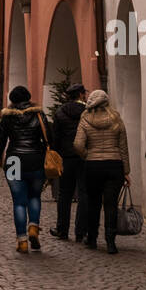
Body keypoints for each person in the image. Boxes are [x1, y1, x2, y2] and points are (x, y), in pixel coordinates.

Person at [0, 85, 51, 253]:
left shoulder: (7, 117)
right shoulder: (38, 114)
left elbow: (0, 142)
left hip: (14, 159)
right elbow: (49, 137)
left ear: (12, 100)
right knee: (34, 196)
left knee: (19, 201)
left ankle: (22, 240)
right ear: (29, 97)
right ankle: (34, 227)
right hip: (36, 158)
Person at [73, 89, 130, 255]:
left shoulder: (85, 120)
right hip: (114, 165)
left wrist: (88, 154)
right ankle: (111, 241)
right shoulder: (116, 119)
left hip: (93, 166)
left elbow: (77, 145)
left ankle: (92, 238)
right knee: (111, 204)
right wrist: (126, 170)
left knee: (93, 203)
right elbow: (123, 147)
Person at [50, 83, 89, 242]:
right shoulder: (88, 112)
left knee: (64, 194)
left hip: (66, 157)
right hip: (84, 156)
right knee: (84, 193)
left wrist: (56, 154)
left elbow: (55, 138)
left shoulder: (60, 112)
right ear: (81, 95)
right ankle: (81, 231)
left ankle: (62, 229)